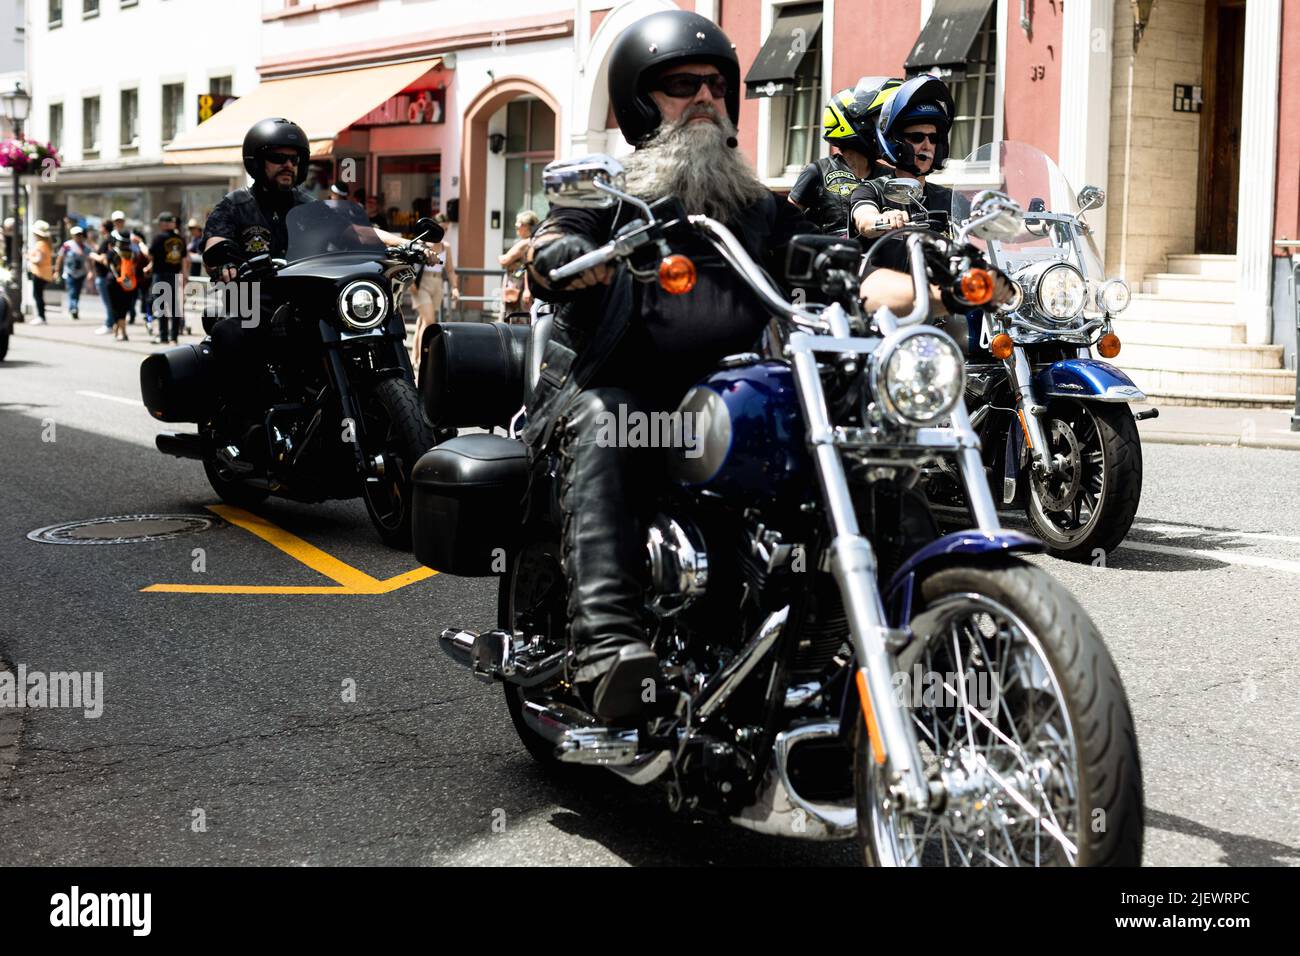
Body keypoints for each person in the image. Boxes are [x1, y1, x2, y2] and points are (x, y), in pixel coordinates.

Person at [523, 10, 817, 720]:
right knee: (613, 420)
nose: (705, 97)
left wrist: (888, 267)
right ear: (637, 104)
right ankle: (607, 645)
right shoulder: (606, 197)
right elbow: (557, 235)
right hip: (624, 397)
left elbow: (825, 251)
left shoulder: (761, 210)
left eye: (717, 84)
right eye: (682, 84)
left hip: (729, 405)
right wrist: (561, 257)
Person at [849, 74, 957, 264]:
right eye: (917, 137)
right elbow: (864, 220)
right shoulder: (871, 190)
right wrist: (883, 219)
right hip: (886, 288)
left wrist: (1020, 221)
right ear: (897, 142)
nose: (927, 145)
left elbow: (987, 224)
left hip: (937, 288)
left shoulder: (948, 198)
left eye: (933, 139)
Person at [789, 77, 901, 236]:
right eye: (875, 122)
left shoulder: (888, 176)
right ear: (850, 124)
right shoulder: (818, 171)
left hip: (877, 259)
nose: (884, 129)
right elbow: (786, 220)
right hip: (830, 257)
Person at [410, 212, 459, 376]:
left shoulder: (446, 246)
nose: (443, 232)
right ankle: (424, 358)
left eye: (446, 229)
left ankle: (414, 358)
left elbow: (450, 270)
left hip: (437, 283)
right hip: (422, 283)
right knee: (430, 321)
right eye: (441, 229)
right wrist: (411, 284)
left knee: (422, 322)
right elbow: (412, 265)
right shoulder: (423, 243)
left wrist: (455, 287)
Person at [146, 212, 187, 345]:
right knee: (174, 306)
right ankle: (174, 337)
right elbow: (184, 258)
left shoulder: (159, 238)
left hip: (160, 275)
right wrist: (185, 276)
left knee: (161, 306)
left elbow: (150, 255)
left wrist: (141, 245)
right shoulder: (180, 238)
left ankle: (164, 336)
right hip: (174, 274)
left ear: (164, 223)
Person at [498, 210, 538, 322]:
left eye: (518, 225)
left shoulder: (525, 242)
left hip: (519, 287)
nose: (517, 229)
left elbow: (504, 260)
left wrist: (503, 258)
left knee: (515, 318)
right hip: (525, 287)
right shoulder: (535, 240)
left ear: (526, 226)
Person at [103, 230, 143, 341]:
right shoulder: (133, 253)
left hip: (114, 283)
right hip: (128, 283)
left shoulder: (112, 252)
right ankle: (121, 331)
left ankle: (119, 330)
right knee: (124, 308)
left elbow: (107, 264)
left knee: (115, 307)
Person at [54, 225, 90, 320]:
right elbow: (60, 258)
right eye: (76, 235)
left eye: (79, 235)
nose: (78, 237)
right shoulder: (67, 245)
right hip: (69, 273)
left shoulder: (85, 247)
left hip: (81, 273)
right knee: (72, 291)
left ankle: (74, 307)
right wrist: (57, 271)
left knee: (77, 292)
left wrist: (90, 272)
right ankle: (73, 308)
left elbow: (88, 260)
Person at [27, 220, 54, 325]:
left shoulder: (40, 244)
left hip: (39, 273)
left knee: (37, 295)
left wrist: (29, 257)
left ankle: (41, 317)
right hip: (44, 273)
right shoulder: (46, 244)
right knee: (39, 295)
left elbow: (38, 260)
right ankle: (41, 316)